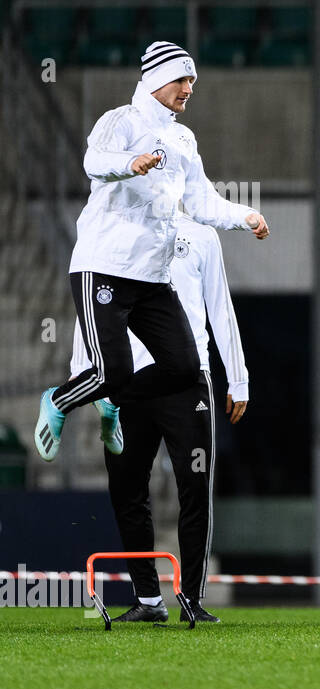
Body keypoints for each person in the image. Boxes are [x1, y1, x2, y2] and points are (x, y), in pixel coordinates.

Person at [36, 41, 268, 462]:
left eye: (192, 80)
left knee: (183, 367)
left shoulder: (183, 137)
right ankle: (58, 400)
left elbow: (200, 203)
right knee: (113, 370)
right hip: (103, 268)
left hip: (151, 277)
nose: (189, 88)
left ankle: (111, 401)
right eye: (182, 78)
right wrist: (131, 163)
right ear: (158, 79)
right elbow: (94, 161)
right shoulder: (120, 120)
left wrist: (245, 215)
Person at [70, 215, 249, 623]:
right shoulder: (111, 234)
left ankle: (192, 597)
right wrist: (79, 368)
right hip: (127, 383)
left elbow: (221, 307)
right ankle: (149, 598)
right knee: (126, 487)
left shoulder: (202, 235)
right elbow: (89, 308)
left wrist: (238, 378)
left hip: (187, 382)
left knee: (194, 483)